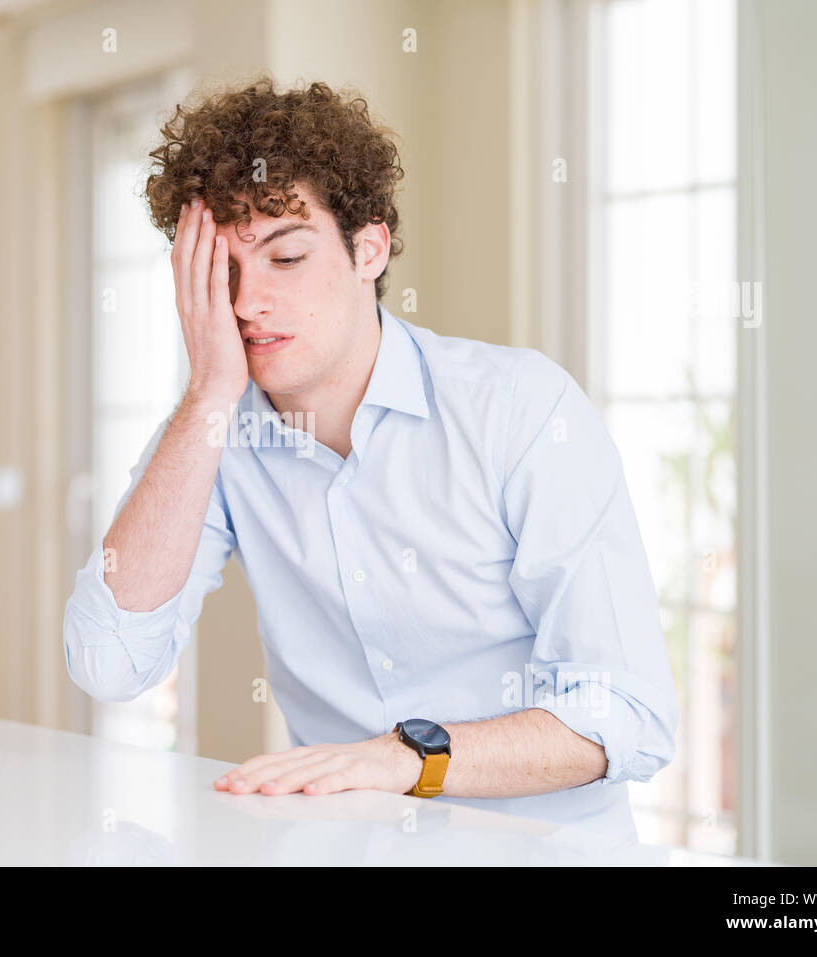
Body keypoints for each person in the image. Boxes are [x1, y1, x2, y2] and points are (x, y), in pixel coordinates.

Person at [63, 75, 678, 843]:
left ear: (369, 248)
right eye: (223, 271)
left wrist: (406, 758)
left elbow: (629, 711)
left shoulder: (520, 411)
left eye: (285, 257)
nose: (247, 301)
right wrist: (208, 398)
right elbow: (107, 661)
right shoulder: (213, 429)